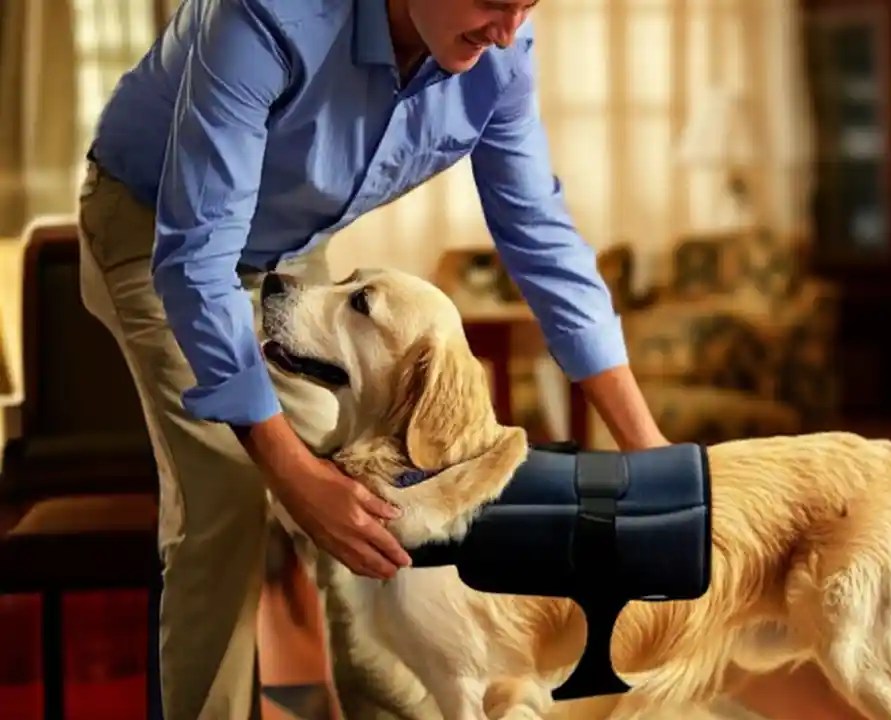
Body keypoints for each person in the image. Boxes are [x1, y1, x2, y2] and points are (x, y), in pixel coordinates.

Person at [77, 0, 668, 717]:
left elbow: (539, 236)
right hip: (158, 230)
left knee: (367, 480)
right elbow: (198, 259)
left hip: (290, 255)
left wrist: (648, 450)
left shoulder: (500, 49)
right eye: (491, 0)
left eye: (526, 4)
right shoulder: (266, 17)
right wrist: (289, 470)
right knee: (230, 492)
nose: (508, 29)